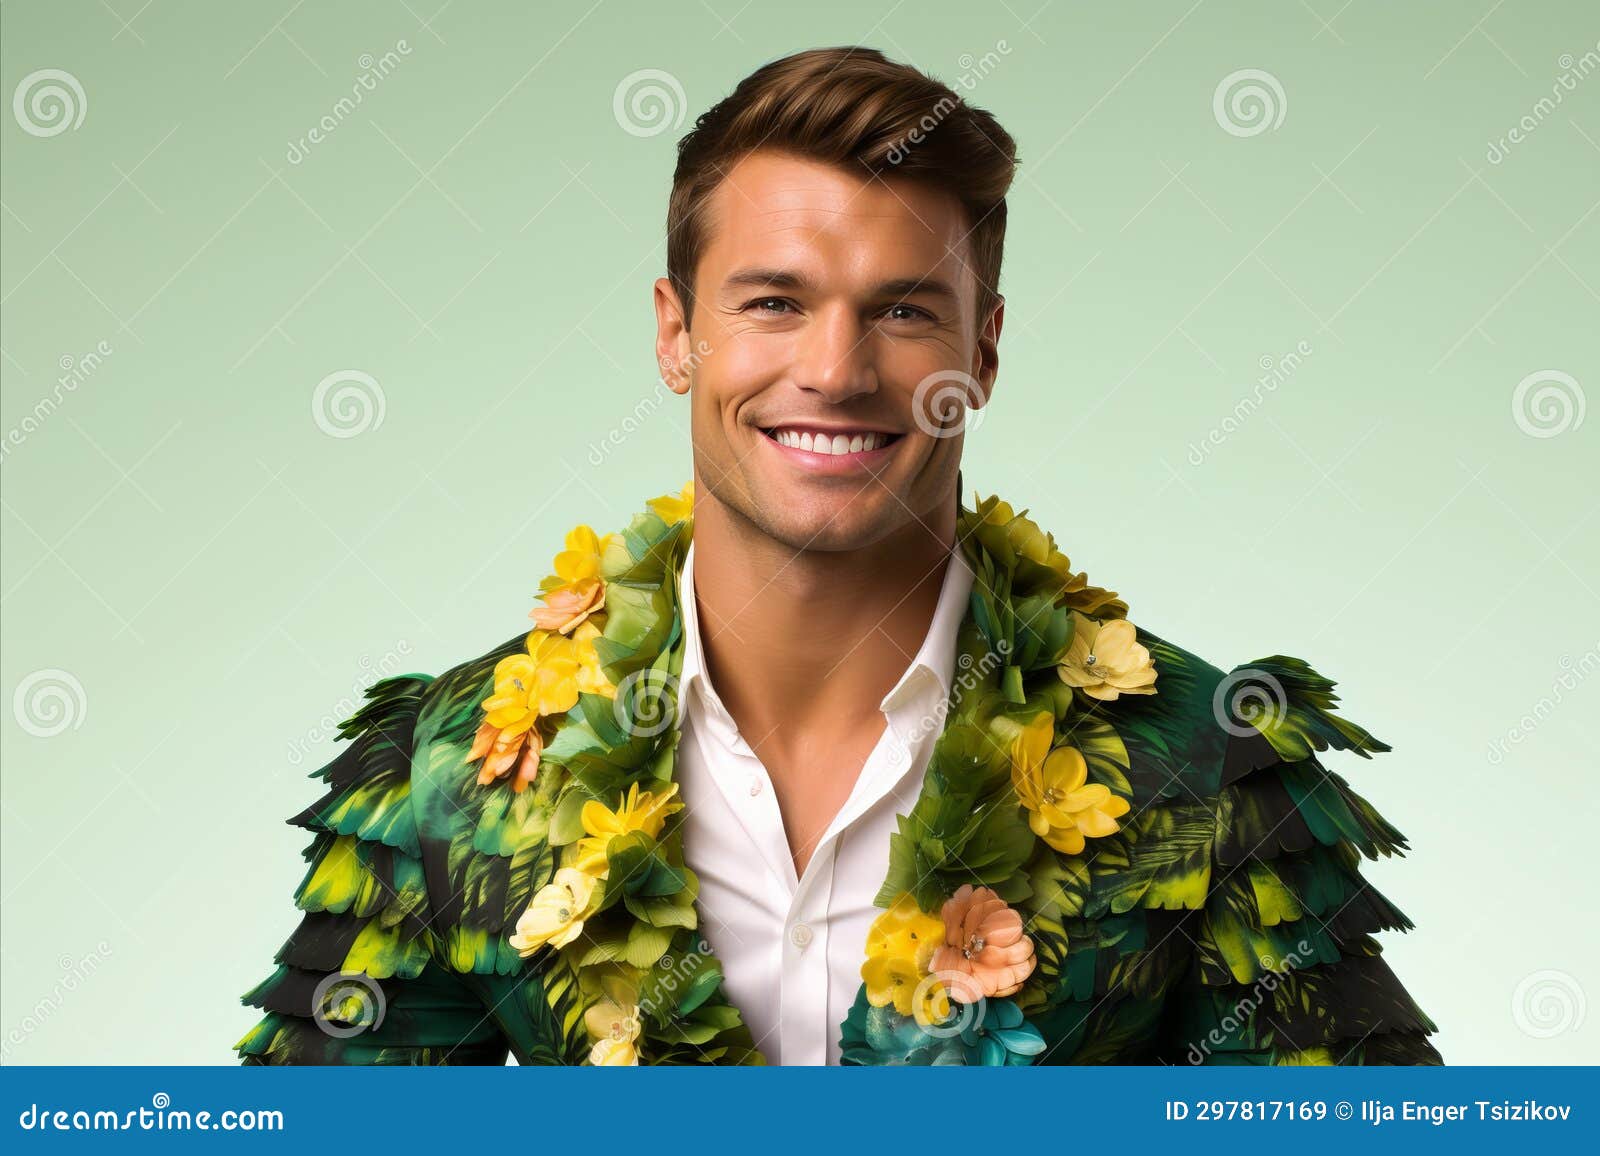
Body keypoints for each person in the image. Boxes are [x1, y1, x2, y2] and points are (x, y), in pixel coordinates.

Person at [237, 46, 1440, 1066]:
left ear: (983, 351)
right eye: (773, 303)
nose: (835, 371)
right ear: (676, 334)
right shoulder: (455, 772)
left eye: (903, 310)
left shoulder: (1207, 766)